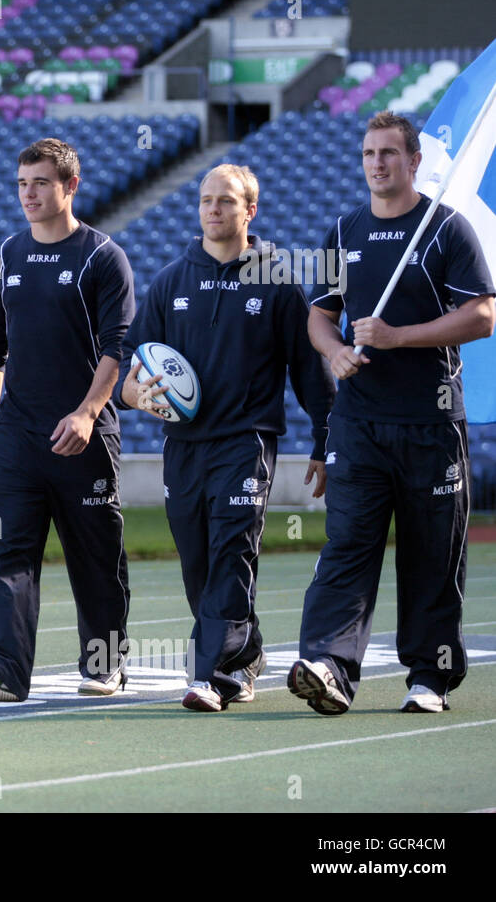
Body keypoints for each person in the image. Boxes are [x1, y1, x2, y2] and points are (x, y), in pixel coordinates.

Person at [289, 111, 494, 715]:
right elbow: (319, 315)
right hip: (357, 423)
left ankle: (430, 676)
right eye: (368, 153)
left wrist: (398, 337)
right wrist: (333, 354)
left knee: (432, 551)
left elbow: (482, 316)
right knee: (347, 543)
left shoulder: (446, 229)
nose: (377, 163)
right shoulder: (342, 231)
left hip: (430, 423)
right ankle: (328, 664)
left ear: (414, 161)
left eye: (388, 153)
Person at [119, 163, 335, 712]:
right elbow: (131, 373)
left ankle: (210, 674)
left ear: (250, 211)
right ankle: (245, 652)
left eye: (226, 201)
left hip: (246, 442)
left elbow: (310, 371)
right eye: (205, 200)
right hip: (183, 447)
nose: (213, 209)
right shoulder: (171, 280)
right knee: (198, 562)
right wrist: (138, 394)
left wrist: (323, 441)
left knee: (230, 554)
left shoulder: (278, 281)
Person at [0, 138, 134, 703]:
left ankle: (105, 663)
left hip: (85, 438)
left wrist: (86, 412)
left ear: (70, 187)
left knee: (95, 558)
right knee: (7, 551)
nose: (28, 194)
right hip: (16, 438)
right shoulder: (5, 257)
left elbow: (117, 345)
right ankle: (1, 667)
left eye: (40, 183)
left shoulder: (102, 257)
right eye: (21, 184)